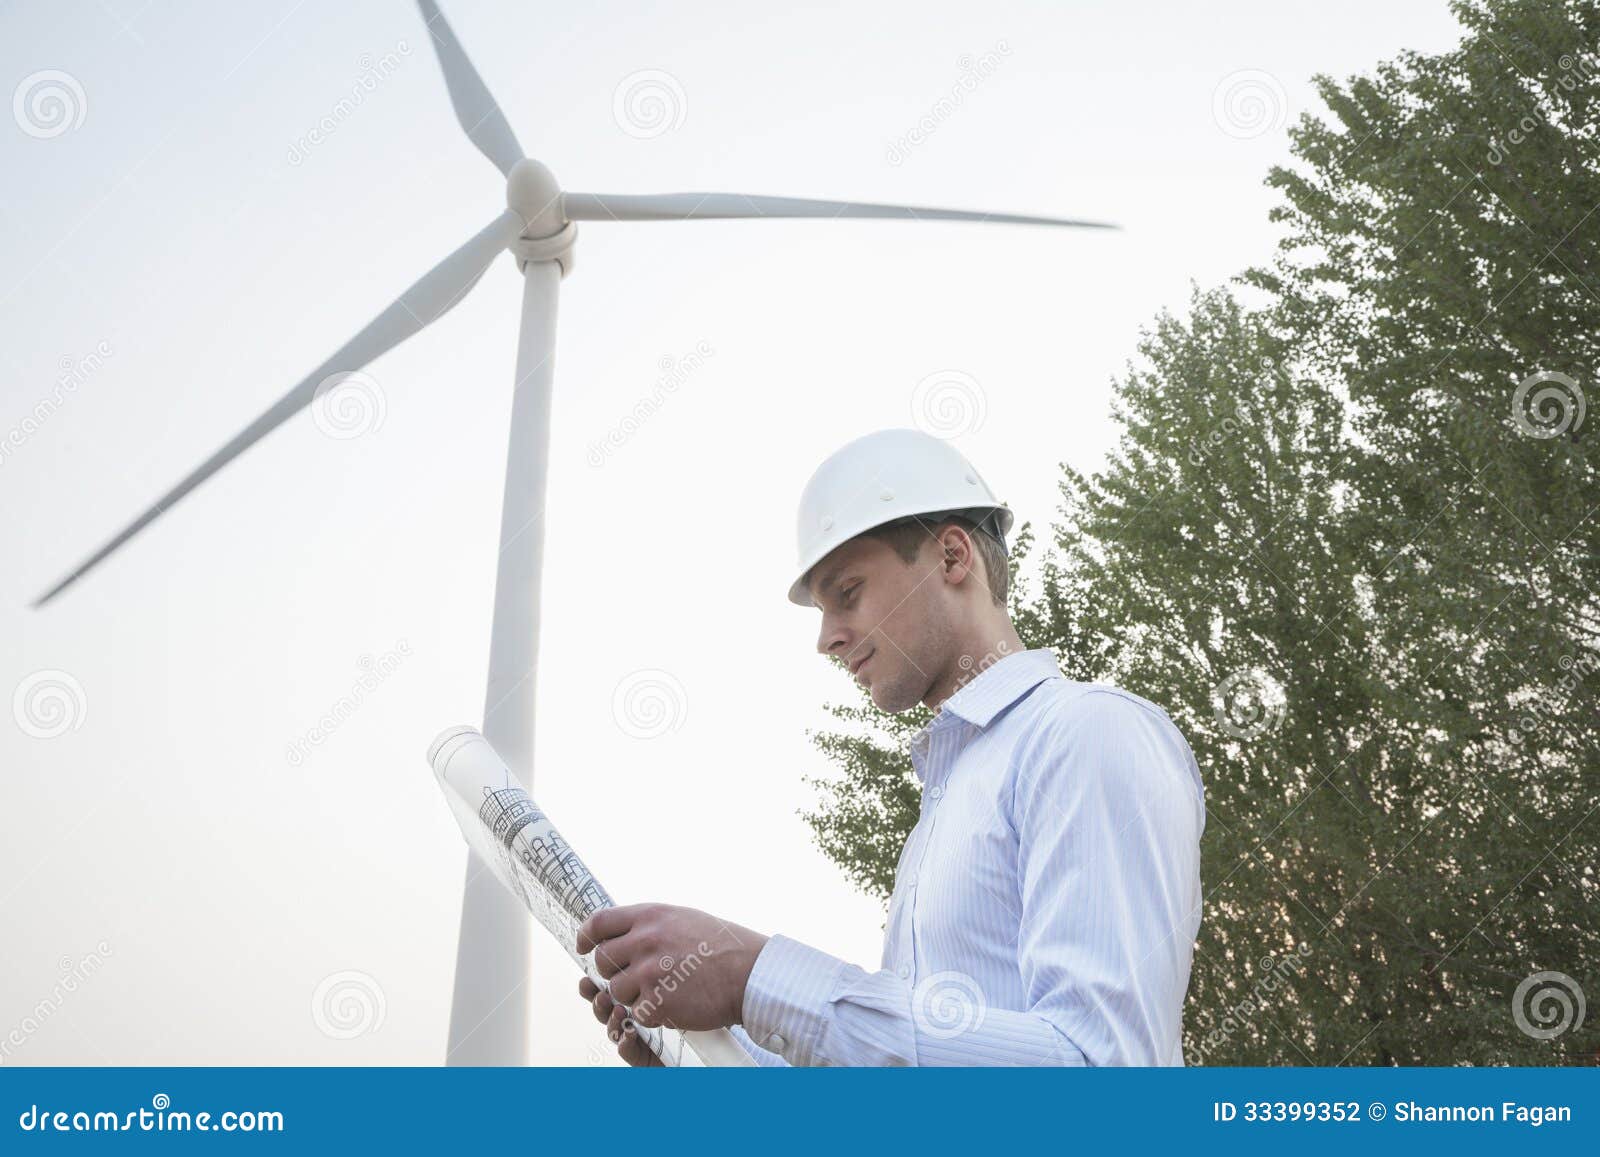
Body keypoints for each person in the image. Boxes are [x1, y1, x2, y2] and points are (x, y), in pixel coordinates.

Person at [576, 427, 1205, 1066]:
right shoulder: (948, 805)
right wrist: (708, 1051)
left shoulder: (1085, 735)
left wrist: (755, 977)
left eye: (847, 594)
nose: (826, 639)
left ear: (953, 557)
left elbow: (1106, 1070)